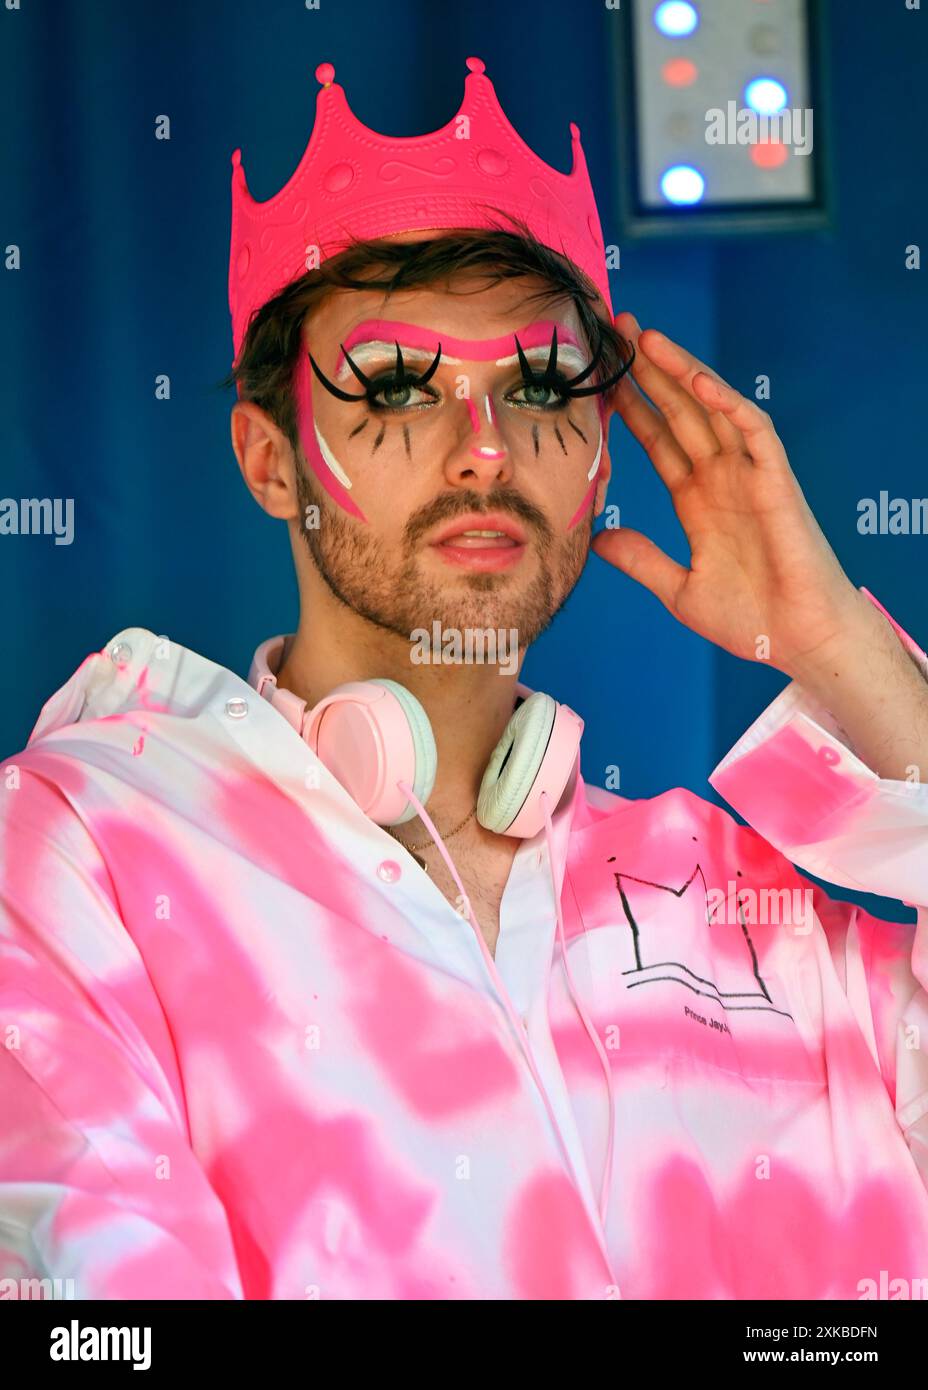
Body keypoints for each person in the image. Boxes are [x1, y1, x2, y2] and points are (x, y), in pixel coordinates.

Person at [1, 56, 927, 1302]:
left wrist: (834, 646)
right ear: (269, 462)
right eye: (397, 387)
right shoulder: (84, 848)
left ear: (600, 459)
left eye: (538, 387)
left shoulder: (735, 902)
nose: (485, 452)